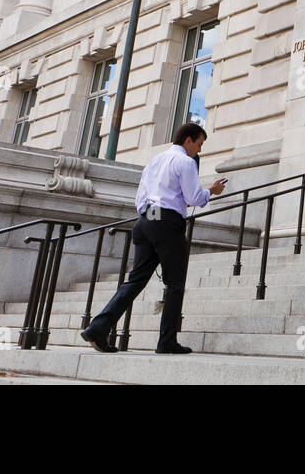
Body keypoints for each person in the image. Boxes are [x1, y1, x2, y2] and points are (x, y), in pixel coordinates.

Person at [81, 123, 225, 354]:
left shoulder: (155, 161)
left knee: (135, 281)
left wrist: (153, 216)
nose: (198, 150)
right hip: (167, 223)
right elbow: (194, 198)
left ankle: (98, 327)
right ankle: (166, 341)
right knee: (175, 283)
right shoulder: (186, 162)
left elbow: (142, 198)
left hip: (146, 219)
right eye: (198, 144)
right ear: (187, 140)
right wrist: (211, 192)